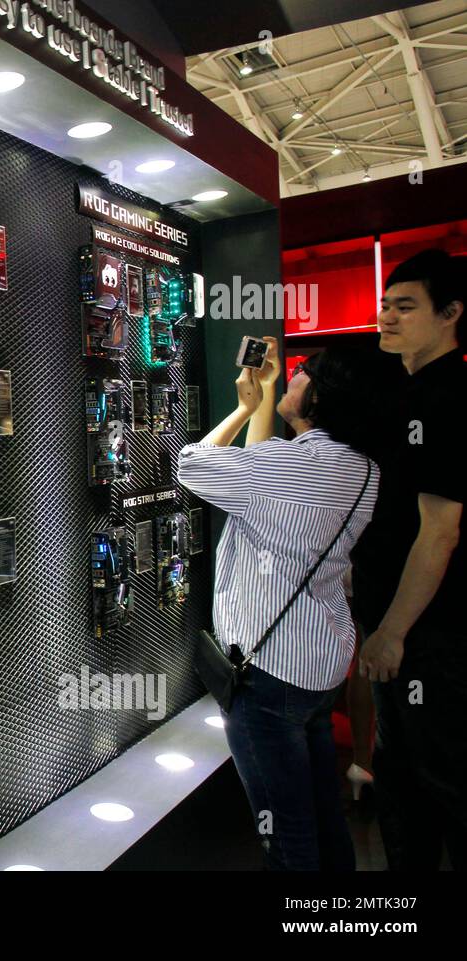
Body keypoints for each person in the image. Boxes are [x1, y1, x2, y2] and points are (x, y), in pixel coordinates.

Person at [177, 337, 380, 870]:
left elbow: (193, 466)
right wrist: (266, 396)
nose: (291, 377)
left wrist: (244, 407)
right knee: (319, 809)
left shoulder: (287, 467)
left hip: (268, 674)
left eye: (302, 373)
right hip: (320, 661)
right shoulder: (363, 470)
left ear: (323, 393)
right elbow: (257, 469)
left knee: (284, 830)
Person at [351, 249, 466, 870]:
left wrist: (392, 632)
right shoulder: (414, 392)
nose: (387, 316)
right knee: (406, 788)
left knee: (437, 785)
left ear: (450, 315)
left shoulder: (444, 398)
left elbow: (439, 531)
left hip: (429, 642)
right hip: (411, 639)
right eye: (385, 304)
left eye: (405, 306)